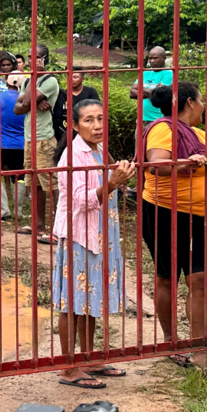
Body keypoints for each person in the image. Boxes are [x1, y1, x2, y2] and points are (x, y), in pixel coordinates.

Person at [141, 82, 207, 371]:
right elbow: (156, 163)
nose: (204, 105)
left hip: (198, 216)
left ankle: (199, 348)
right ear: (190, 103)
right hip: (163, 212)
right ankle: (170, 341)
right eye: (201, 100)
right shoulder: (163, 129)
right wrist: (185, 163)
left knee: (200, 279)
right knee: (167, 278)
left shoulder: (199, 134)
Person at [51, 99, 135, 389]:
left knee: (89, 298)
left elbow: (106, 185)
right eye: (89, 120)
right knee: (71, 302)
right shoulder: (73, 155)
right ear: (74, 125)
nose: (97, 125)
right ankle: (68, 368)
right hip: (79, 235)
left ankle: (88, 358)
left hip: (100, 234)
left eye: (100, 118)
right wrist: (113, 182)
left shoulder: (97, 150)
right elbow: (81, 200)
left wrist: (120, 175)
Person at [14, 44, 60, 244]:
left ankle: (59, 230)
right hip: (29, 139)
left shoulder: (50, 81)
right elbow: (17, 109)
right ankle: (39, 226)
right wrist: (33, 100)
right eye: (30, 56)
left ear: (45, 59)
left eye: (37, 56)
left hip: (44, 140)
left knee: (53, 185)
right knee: (35, 185)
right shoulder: (27, 81)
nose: (32, 60)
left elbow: (25, 103)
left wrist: (29, 99)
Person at [0, 65, 28, 221]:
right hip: (21, 145)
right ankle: (18, 211)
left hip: (1, 144)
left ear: (7, 82)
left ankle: (3, 210)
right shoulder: (27, 100)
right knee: (20, 176)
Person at [130, 46, 174, 148]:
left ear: (164, 58)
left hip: (158, 120)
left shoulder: (169, 74)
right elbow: (132, 93)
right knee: (139, 153)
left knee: (155, 150)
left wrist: (141, 89)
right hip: (142, 120)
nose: (152, 61)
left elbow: (161, 95)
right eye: (150, 58)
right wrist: (153, 91)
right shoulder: (145, 72)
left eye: (155, 58)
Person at [53, 68, 100, 143]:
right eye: (69, 77)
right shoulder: (63, 94)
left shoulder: (91, 92)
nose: (72, 80)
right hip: (68, 131)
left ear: (82, 79)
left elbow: (97, 110)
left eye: (75, 77)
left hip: (88, 129)